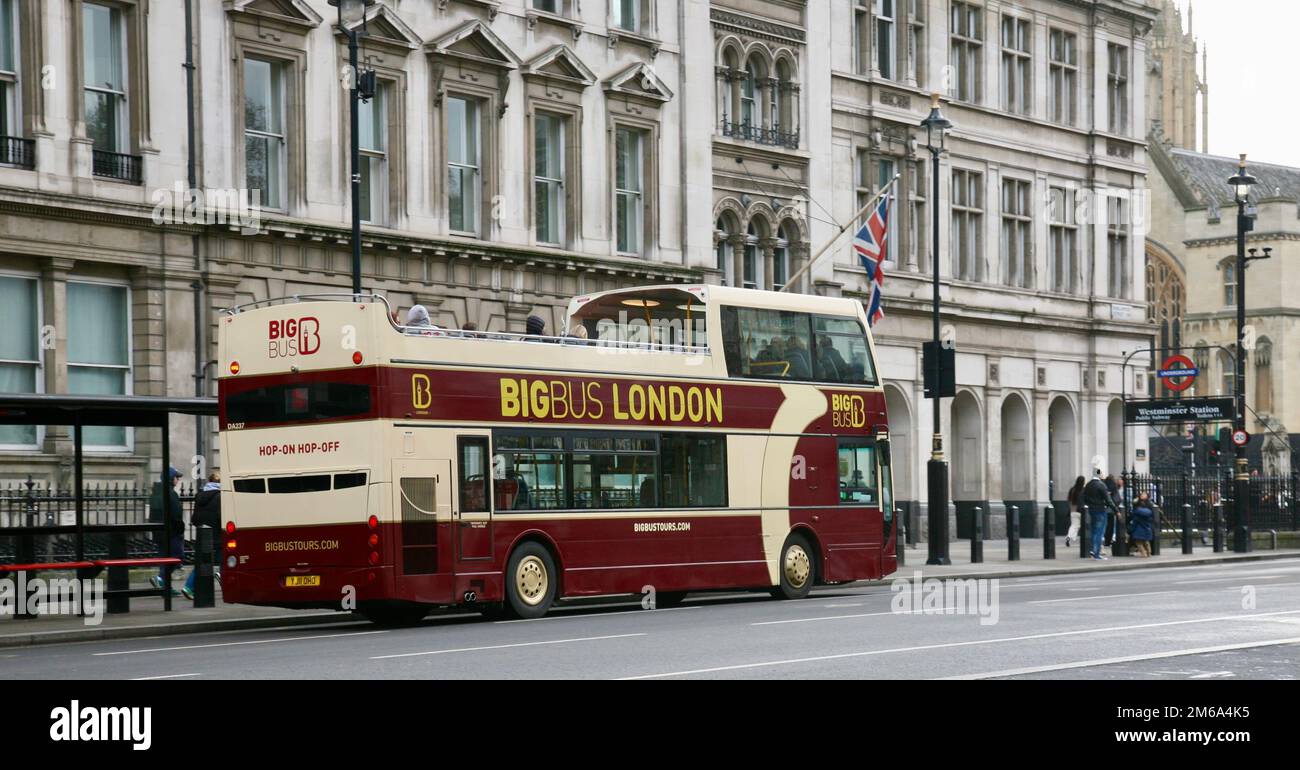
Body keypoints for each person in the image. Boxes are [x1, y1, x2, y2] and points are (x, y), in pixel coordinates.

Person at [184, 472, 222, 600]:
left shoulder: (200, 495)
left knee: (202, 562)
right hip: (216, 534)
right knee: (224, 555)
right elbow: (221, 516)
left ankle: (188, 587)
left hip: (202, 534)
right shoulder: (220, 496)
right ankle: (221, 574)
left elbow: (195, 518)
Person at [149, 467, 185, 595]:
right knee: (177, 557)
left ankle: (165, 587)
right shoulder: (171, 494)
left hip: (159, 533)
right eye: (176, 477)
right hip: (172, 533)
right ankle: (160, 579)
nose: (178, 479)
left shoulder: (156, 493)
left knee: (165, 558)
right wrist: (181, 529)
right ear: (171, 479)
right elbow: (176, 515)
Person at [1082, 471, 1117, 560]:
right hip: (1100, 510)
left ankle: (1092, 550)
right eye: (1101, 474)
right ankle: (1096, 553)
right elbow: (1108, 499)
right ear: (1099, 475)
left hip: (1091, 510)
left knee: (1093, 531)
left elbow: (1084, 497)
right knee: (1099, 533)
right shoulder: (1101, 485)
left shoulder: (1088, 485)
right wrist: (1116, 510)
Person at [1129, 492, 1156, 557]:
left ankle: (1143, 553)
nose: (1142, 495)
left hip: (1139, 529)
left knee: (1139, 542)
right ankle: (1149, 553)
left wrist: (1131, 529)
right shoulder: (1149, 510)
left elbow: (1134, 521)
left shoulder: (1137, 512)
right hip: (1147, 528)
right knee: (1146, 542)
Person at [1065, 475, 1085, 547]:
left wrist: (1071, 508)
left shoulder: (1072, 489)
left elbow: (1069, 500)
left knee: (1074, 525)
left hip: (1073, 509)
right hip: (1082, 510)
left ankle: (1069, 537)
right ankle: (1075, 538)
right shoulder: (1084, 490)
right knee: (1080, 525)